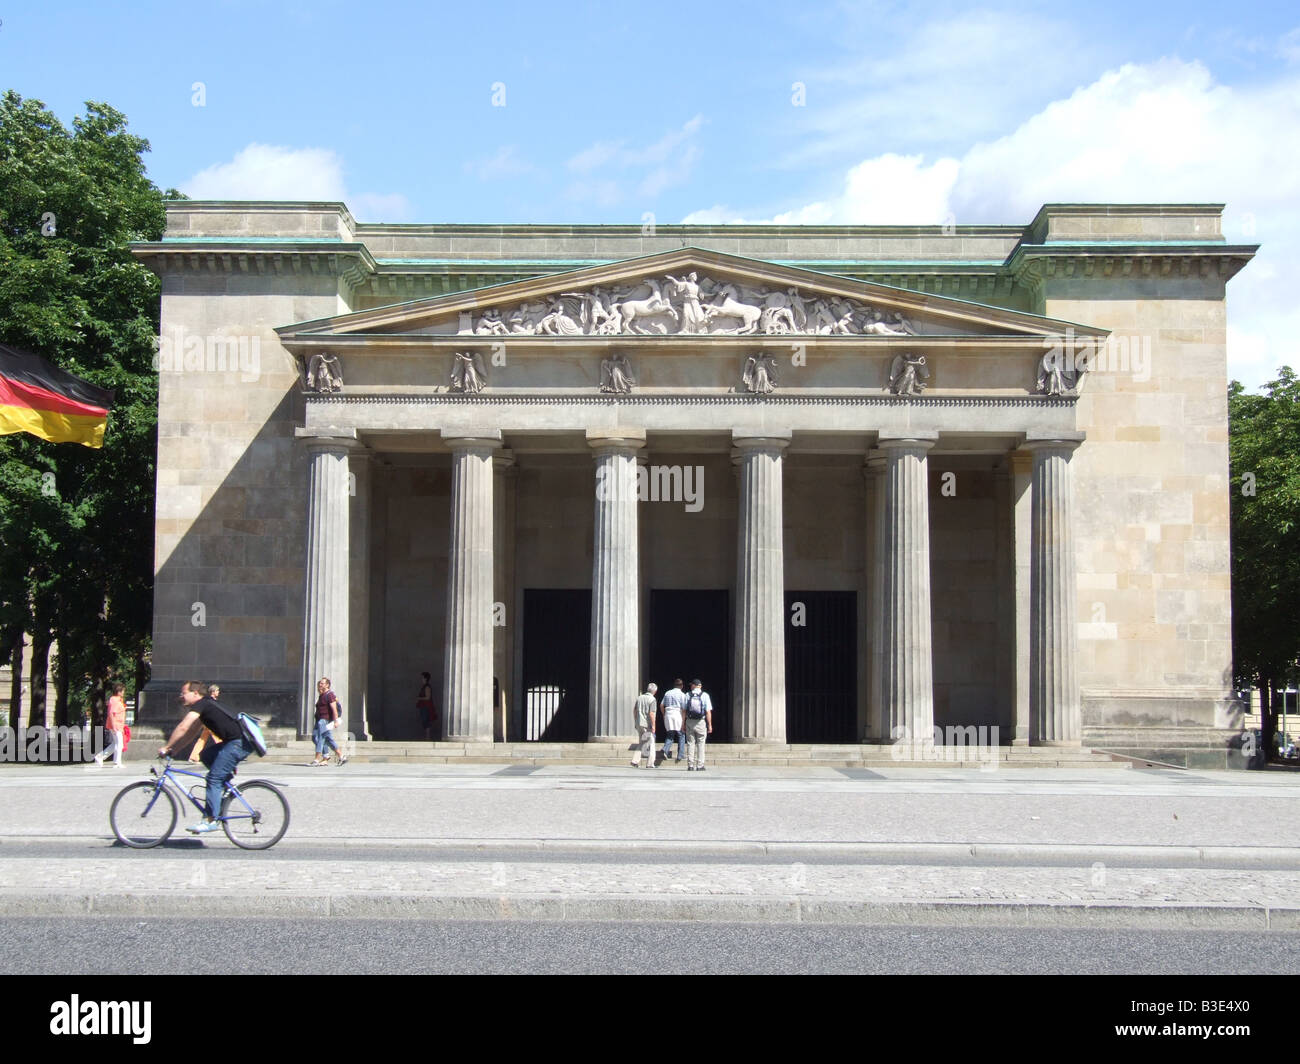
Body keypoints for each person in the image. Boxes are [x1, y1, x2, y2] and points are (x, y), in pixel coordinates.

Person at [158, 681, 252, 834]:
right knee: (205, 755)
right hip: (234, 742)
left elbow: (183, 726)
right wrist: (174, 751)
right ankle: (223, 784)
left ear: (195, 693)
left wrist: (166, 747)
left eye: (184, 693)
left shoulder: (202, 704)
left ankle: (210, 820)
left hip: (238, 743)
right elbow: (190, 734)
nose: (181, 696)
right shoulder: (205, 706)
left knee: (213, 779)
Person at [312, 677, 348, 766]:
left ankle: (318, 758)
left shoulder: (330, 694)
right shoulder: (322, 695)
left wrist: (335, 721)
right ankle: (340, 756)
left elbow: (334, 709)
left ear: (327, 685)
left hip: (324, 720)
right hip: (319, 720)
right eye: (320, 683)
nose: (320, 685)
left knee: (321, 738)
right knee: (322, 738)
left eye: (322, 683)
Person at [94, 683, 127, 767]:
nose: (123, 693)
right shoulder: (115, 700)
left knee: (116, 744)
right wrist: (114, 726)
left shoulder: (117, 700)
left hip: (118, 725)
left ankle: (100, 757)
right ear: (118, 692)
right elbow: (112, 713)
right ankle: (117, 762)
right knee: (119, 744)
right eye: (122, 691)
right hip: (116, 725)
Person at [684, 679, 713, 772]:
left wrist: (682, 723)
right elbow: (708, 712)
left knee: (690, 743)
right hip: (700, 722)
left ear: (693, 685)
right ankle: (700, 765)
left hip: (689, 721)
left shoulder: (687, 695)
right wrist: (710, 725)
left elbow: (683, 711)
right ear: (700, 686)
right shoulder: (705, 695)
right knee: (701, 743)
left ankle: (690, 765)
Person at [189, 682, 221, 763]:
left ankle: (194, 756)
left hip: (207, 722)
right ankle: (224, 753)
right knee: (218, 739)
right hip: (211, 722)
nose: (218, 692)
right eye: (217, 691)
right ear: (213, 692)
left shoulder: (210, 700)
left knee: (202, 739)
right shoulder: (210, 701)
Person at [629, 683, 658, 768]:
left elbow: (634, 711)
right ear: (655, 691)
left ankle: (635, 761)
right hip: (647, 724)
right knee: (651, 743)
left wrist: (636, 721)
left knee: (642, 742)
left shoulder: (639, 698)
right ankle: (650, 763)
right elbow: (652, 713)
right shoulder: (652, 699)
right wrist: (653, 726)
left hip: (639, 723)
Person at [660, 678, 687, 764]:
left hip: (668, 713)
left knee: (670, 734)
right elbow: (683, 709)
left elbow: (661, 705)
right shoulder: (682, 695)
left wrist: (664, 714)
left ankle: (665, 750)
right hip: (677, 714)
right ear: (682, 686)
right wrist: (683, 721)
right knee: (681, 734)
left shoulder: (667, 693)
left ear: (674, 685)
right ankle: (680, 754)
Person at [416, 672, 437, 740]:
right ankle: (427, 736)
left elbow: (428, 697)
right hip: (423, 706)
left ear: (425, 678)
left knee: (426, 720)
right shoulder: (424, 686)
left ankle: (428, 737)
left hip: (426, 706)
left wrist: (419, 698)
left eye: (422, 677)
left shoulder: (427, 687)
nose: (421, 679)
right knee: (424, 721)